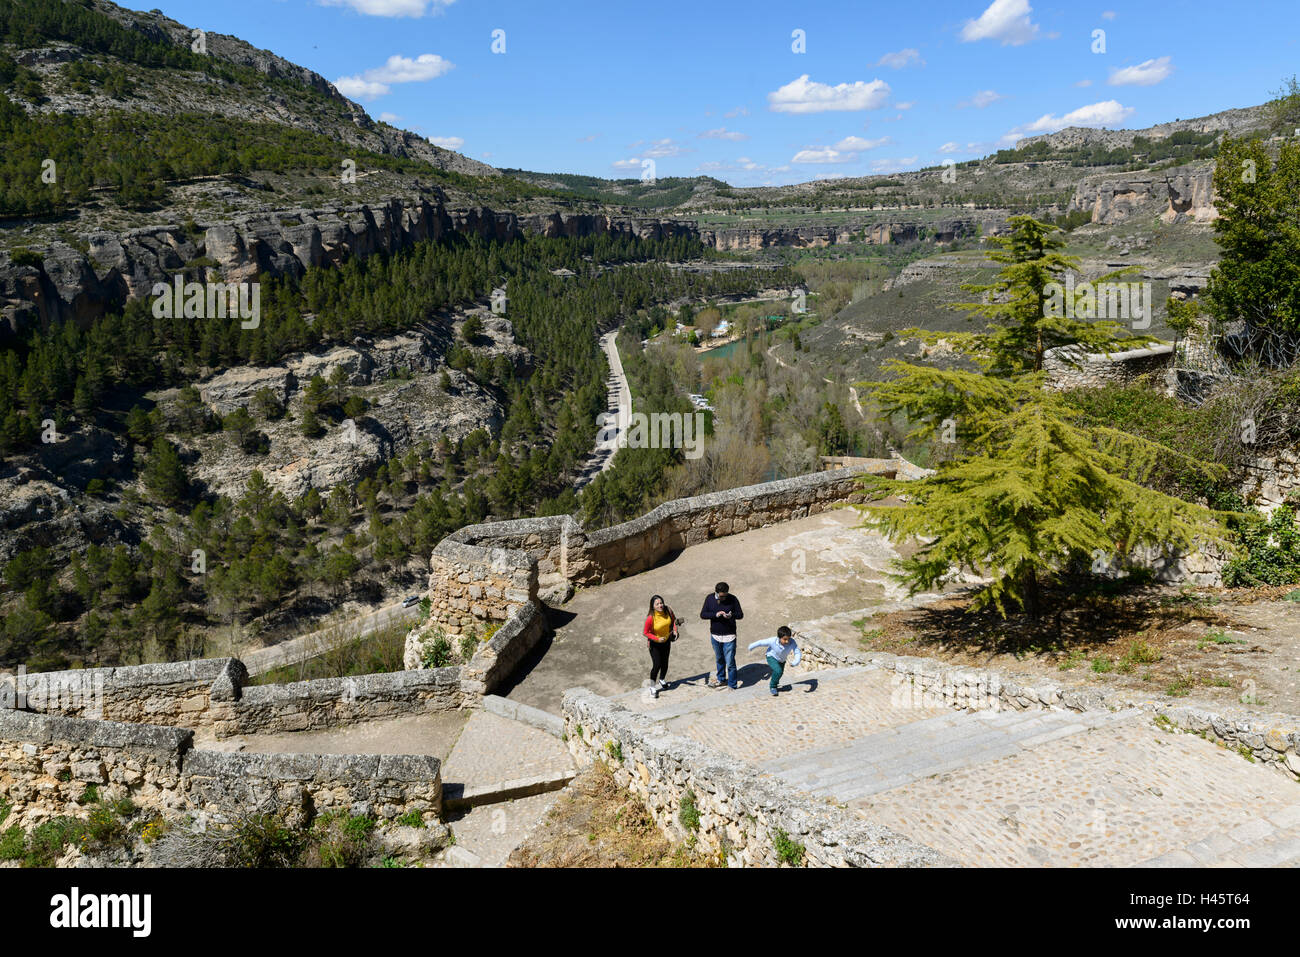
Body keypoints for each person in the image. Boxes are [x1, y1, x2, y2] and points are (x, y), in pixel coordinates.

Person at [700, 581, 743, 690]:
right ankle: (721, 679)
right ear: (716, 592)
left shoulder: (733, 599)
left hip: (730, 636)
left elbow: (740, 614)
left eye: (725, 596)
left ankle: (732, 685)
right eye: (721, 596)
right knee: (719, 659)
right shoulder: (709, 598)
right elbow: (703, 614)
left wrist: (731, 615)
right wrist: (715, 614)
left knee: (730, 663)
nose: (723, 598)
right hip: (715, 635)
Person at [749, 626, 801, 696]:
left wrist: (795, 661)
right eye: (785, 639)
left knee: (780, 673)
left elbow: (797, 651)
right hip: (771, 657)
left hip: (782, 660)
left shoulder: (792, 642)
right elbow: (761, 642)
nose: (787, 641)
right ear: (779, 638)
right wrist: (751, 646)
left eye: (788, 639)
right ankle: (772, 687)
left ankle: (775, 683)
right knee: (778, 671)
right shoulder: (772, 641)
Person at [642, 595, 678, 697]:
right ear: (653, 606)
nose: (660, 605)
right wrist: (657, 638)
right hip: (655, 644)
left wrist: (675, 631)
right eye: (657, 604)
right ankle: (652, 687)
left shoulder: (668, 610)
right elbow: (645, 633)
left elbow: (674, 621)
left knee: (665, 663)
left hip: (666, 642)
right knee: (657, 665)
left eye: (661, 603)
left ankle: (662, 679)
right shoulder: (650, 617)